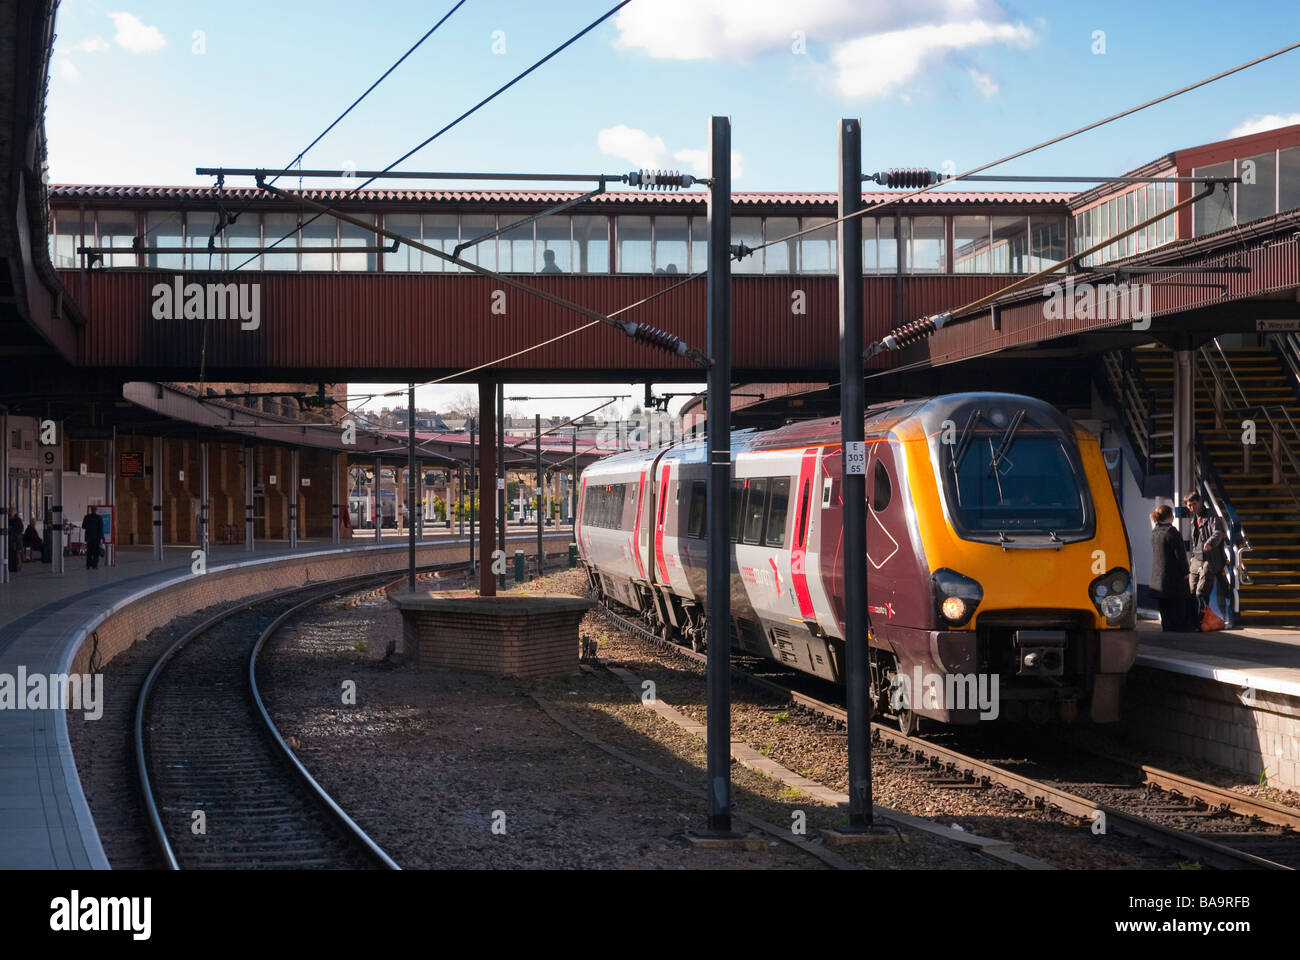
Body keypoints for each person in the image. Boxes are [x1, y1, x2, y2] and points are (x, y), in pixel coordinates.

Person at [1185, 490, 1228, 616]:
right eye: (1189, 505)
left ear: (1199, 502)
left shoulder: (1210, 515)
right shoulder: (1194, 518)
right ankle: (1193, 618)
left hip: (1210, 558)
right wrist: (1192, 555)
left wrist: (1210, 543)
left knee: (1201, 591)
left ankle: (1201, 618)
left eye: (1194, 504)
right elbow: (1194, 539)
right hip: (1197, 558)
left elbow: (1218, 532)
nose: (1192, 508)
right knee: (1191, 590)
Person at [1149, 504, 1191, 631]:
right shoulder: (1172, 532)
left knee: (1164, 605)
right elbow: (1180, 554)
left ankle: (1166, 626)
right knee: (1176, 604)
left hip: (1158, 576)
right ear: (1170, 516)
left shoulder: (1155, 532)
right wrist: (1185, 571)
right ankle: (1178, 627)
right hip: (1173, 576)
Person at [82, 505, 104, 570]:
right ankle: (95, 565)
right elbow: (101, 528)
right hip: (97, 538)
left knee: (89, 552)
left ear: (91, 510)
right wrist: (102, 537)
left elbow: (83, 526)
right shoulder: (99, 518)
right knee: (96, 552)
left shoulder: (86, 517)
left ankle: (88, 565)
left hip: (89, 537)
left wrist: (89, 527)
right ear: (96, 510)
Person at [7, 508, 23, 573]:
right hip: (10, 538)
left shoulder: (18, 520)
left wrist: (16, 533)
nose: (11, 512)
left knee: (17, 552)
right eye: (10, 511)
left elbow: (21, 528)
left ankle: (19, 564)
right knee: (12, 551)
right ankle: (13, 564)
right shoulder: (7, 519)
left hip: (16, 538)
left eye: (13, 511)